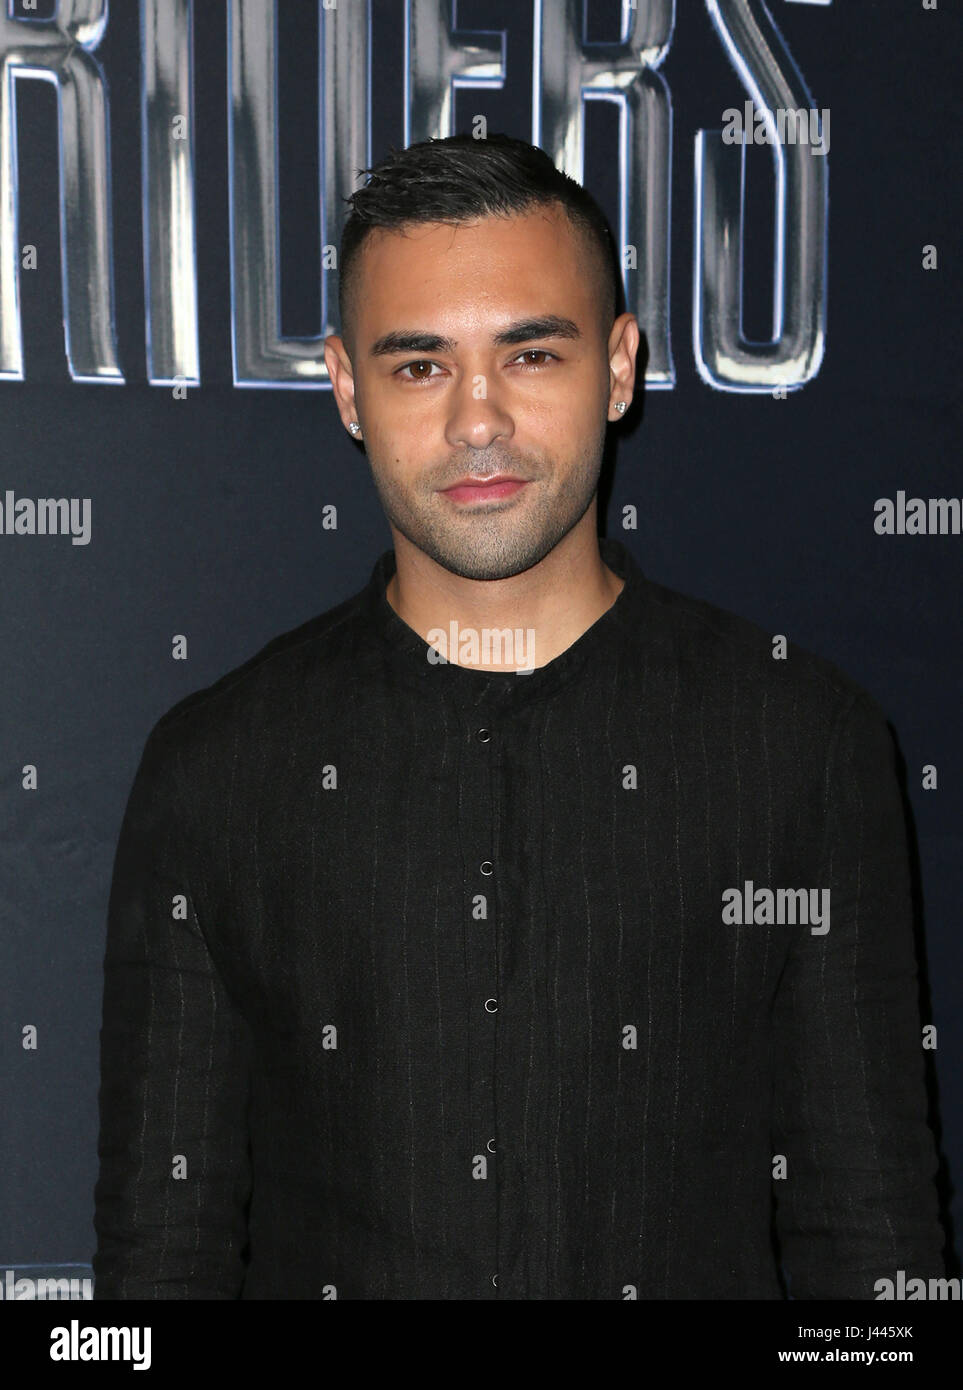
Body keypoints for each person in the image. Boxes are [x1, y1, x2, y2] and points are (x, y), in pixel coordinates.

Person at [92, 132, 945, 1299]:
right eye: (420, 365)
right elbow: (157, 1265)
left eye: (530, 354)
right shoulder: (219, 769)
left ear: (620, 366)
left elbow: (871, 1241)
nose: (477, 421)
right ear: (346, 387)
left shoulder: (799, 744)